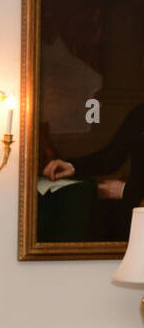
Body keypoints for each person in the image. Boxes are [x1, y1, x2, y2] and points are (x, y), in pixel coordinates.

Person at [42, 101, 144, 241]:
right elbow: (112, 157)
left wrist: (126, 191)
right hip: (134, 217)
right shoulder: (140, 112)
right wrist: (72, 166)